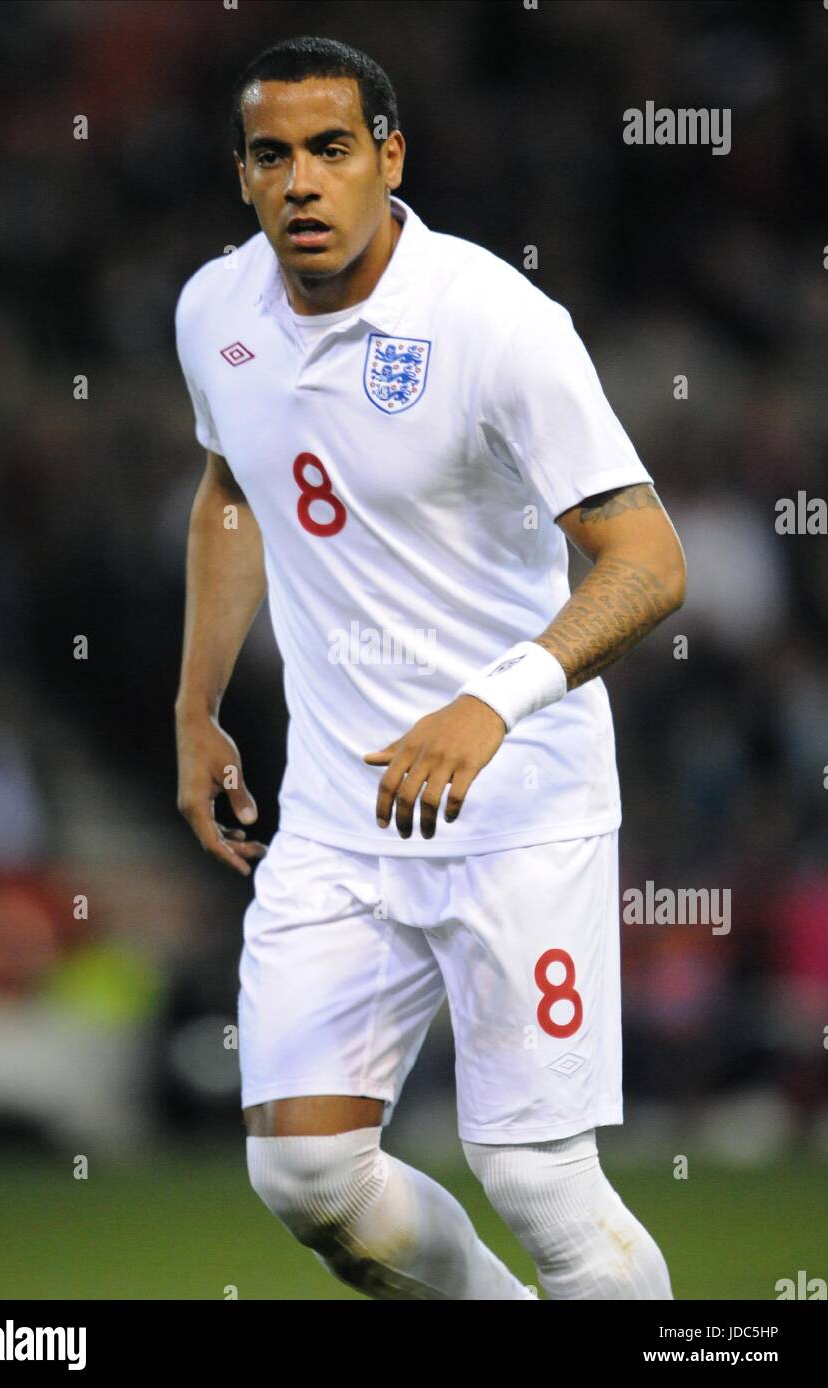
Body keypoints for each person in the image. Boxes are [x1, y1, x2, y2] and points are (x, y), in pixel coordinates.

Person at [174, 35, 685, 1300]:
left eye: (331, 150)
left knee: (536, 1182)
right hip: (342, 820)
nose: (301, 181)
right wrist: (195, 706)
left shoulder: (491, 322)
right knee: (307, 1176)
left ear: (388, 157)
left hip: (514, 809)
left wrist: (490, 701)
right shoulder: (212, 311)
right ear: (240, 173)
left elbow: (648, 558)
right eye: (272, 155)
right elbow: (233, 489)